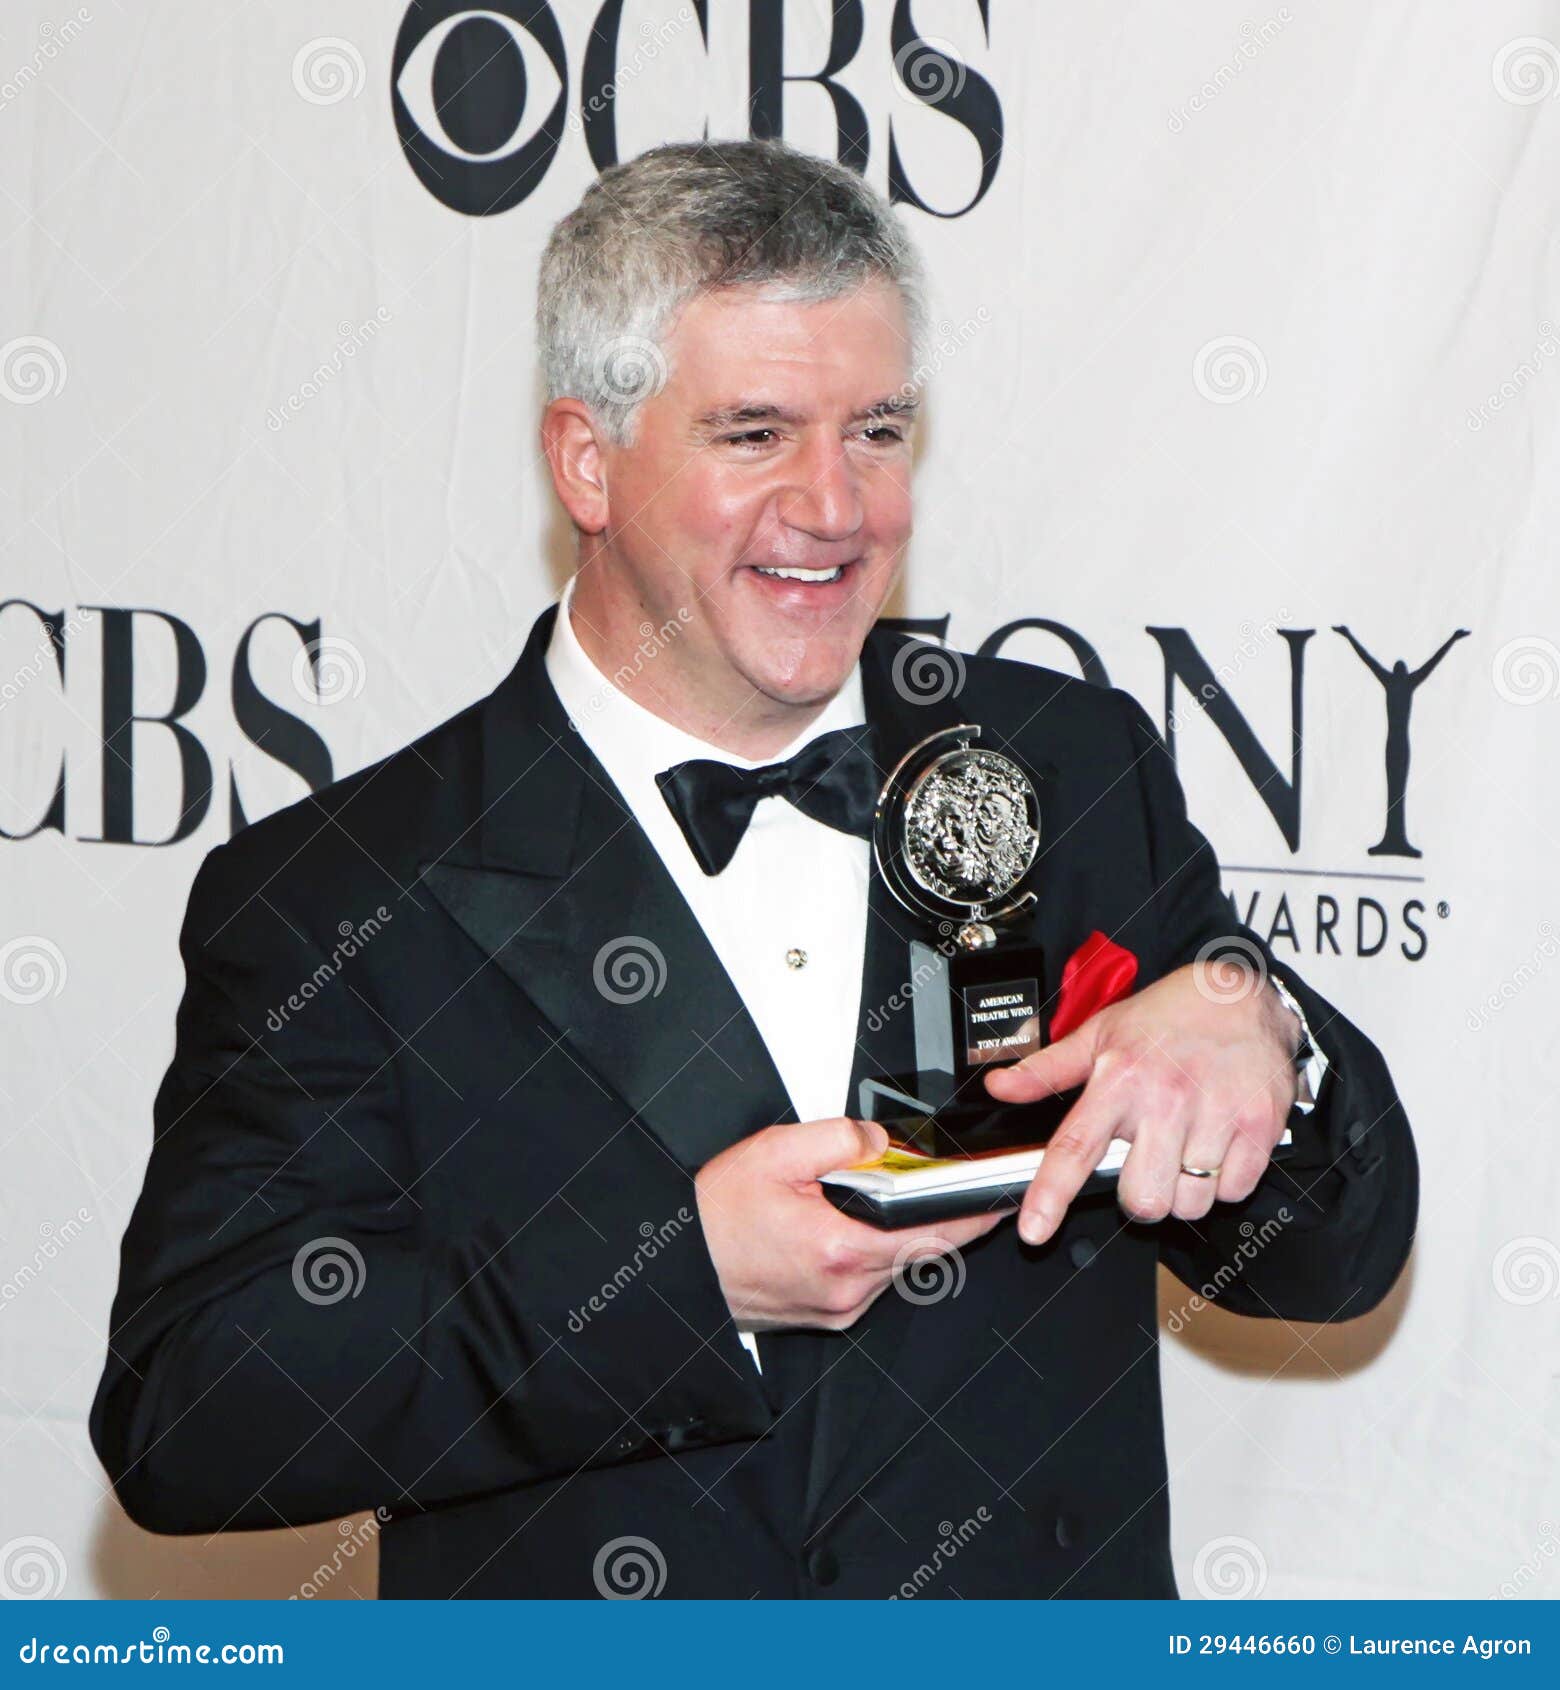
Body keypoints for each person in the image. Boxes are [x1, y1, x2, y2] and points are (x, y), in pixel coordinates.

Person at [90, 139, 1417, 1599]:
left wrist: (1267, 1037)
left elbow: (1323, 1266)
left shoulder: (1066, 766)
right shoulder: (345, 893)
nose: (835, 506)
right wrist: (682, 1279)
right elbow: (192, 1414)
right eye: (755, 433)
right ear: (587, 461)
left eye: (877, 430)